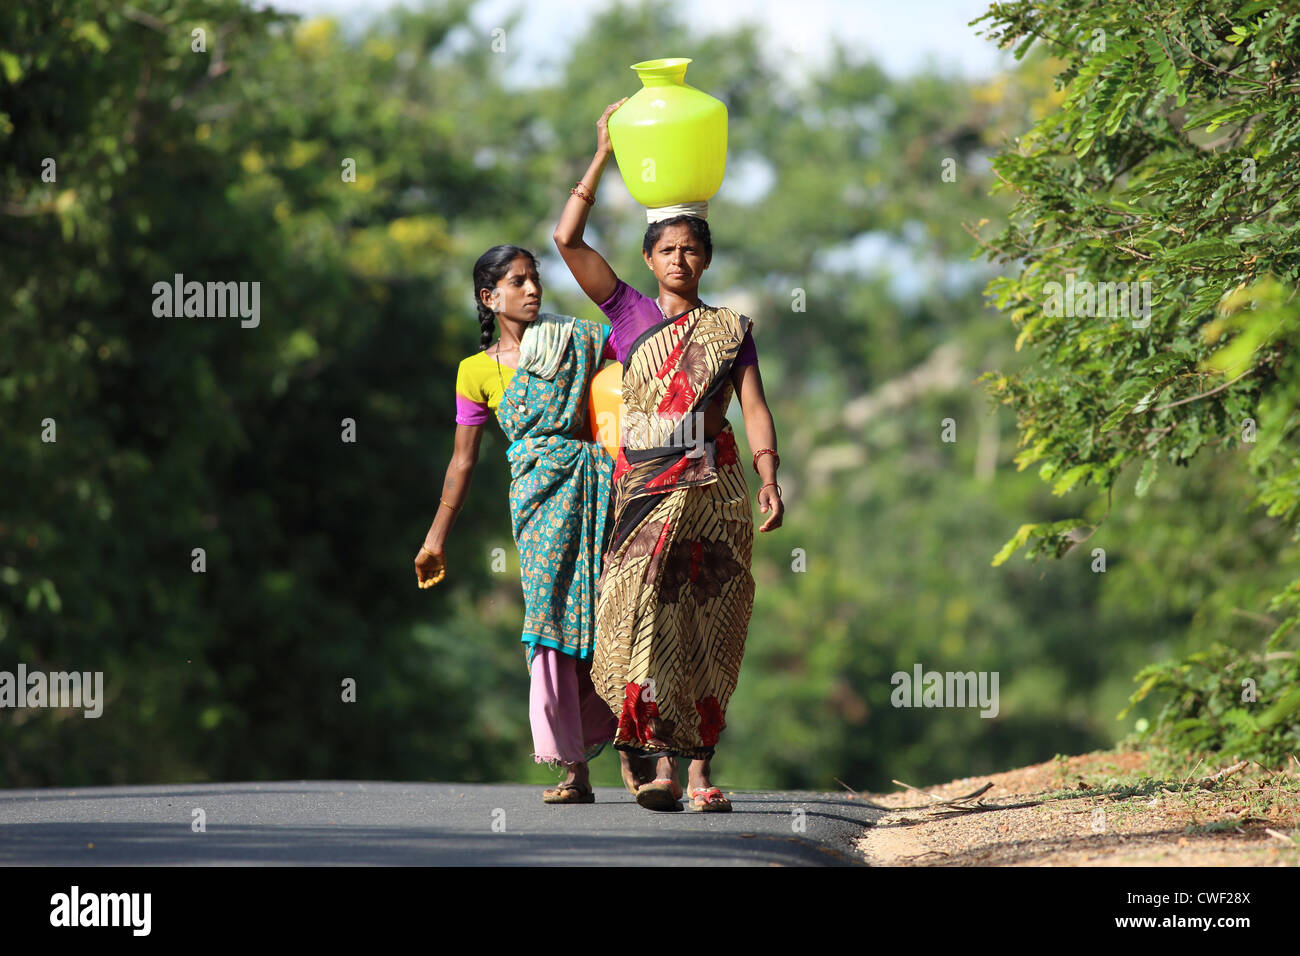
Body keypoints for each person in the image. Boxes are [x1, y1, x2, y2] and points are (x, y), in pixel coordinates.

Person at [552, 100, 785, 812]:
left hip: (713, 492)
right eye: (667, 250)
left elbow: (751, 406)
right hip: (644, 496)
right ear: (649, 258)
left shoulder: (729, 329)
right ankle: (655, 765)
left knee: (706, 624)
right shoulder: (628, 314)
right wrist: (600, 154)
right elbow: (565, 240)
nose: (679, 259)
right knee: (639, 620)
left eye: (691, 249)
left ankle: (701, 777)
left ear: (706, 257)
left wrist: (771, 472)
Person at [415, 245, 636, 803]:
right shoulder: (476, 371)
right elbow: (463, 460)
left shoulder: (582, 340)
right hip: (537, 505)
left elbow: (634, 369)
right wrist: (435, 537)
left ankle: (636, 751)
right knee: (549, 623)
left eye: (535, 279)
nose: (533, 289)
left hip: (597, 491)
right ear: (489, 298)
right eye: (518, 282)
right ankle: (573, 767)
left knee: (612, 614)